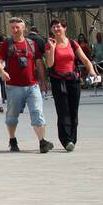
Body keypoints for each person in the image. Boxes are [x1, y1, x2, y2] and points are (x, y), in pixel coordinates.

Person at [0, 17, 53, 153]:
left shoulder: (32, 44)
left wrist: (43, 81)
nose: (14, 30)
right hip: (13, 86)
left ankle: (42, 141)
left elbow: (39, 63)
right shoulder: (7, 44)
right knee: (12, 115)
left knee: (37, 112)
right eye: (12, 27)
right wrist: (2, 72)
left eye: (17, 27)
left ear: (23, 28)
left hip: (32, 86)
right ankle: (12, 139)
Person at [43, 18, 98, 152]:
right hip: (58, 81)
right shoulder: (49, 44)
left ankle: (73, 139)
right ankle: (66, 140)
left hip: (73, 81)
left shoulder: (72, 43)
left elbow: (85, 59)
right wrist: (52, 48)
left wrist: (92, 71)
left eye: (59, 27)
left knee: (73, 111)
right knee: (63, 112)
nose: (56, 29)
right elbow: (49, 64)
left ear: (64, 28)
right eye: (54, 27)